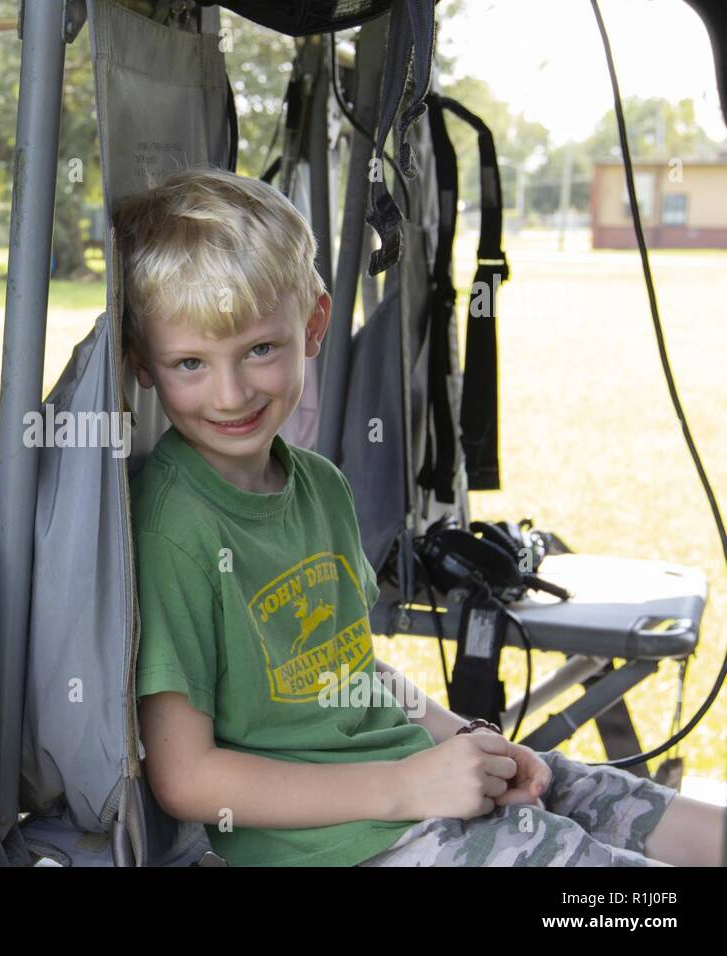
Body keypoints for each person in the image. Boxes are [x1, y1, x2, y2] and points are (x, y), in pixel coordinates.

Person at [116, 165, 725, 867]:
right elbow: (187, 780)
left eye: (260, 349)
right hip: (339, 845)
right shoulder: (171, 527)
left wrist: (469, 739)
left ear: (313, 326)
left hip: (410, 791)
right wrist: (408, 786)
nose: (229, 393)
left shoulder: (319, 486)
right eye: (190, 363)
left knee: (613, 799)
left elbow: (349, 670)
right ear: (142, 365)